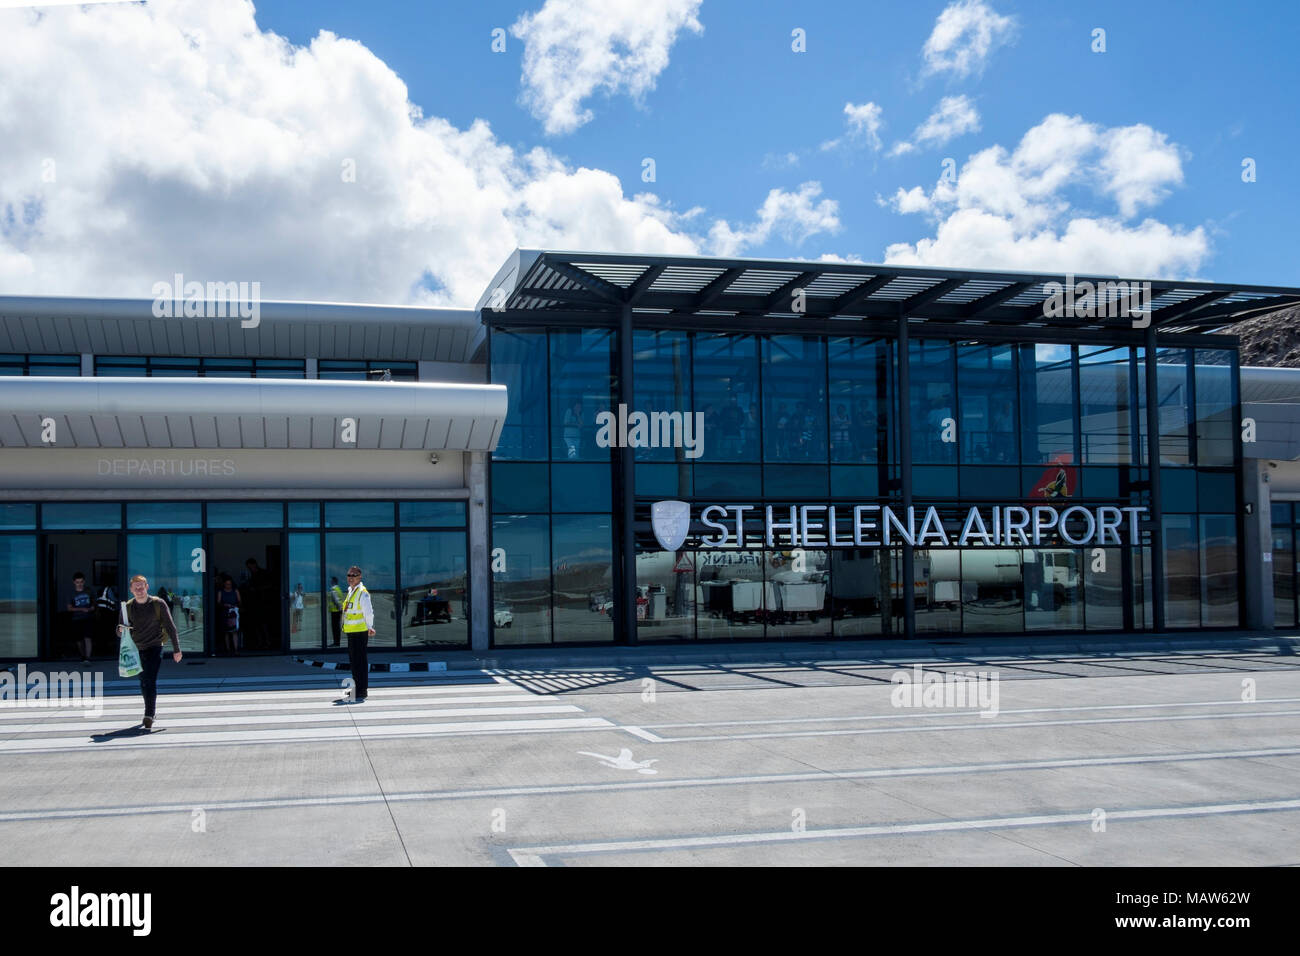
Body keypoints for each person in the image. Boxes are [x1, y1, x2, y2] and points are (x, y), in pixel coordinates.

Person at [115, 574, 181, 730]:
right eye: (136, 588)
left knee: (149, 679)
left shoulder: (158, 603)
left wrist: (177, 649)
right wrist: (120, 630)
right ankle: (150, 711)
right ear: (131, 590)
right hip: (136, 649)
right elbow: (119, 631)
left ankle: (149, 714)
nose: (139, 590)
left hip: (155, 646)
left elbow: (171, 627)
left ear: (147, 587)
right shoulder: (127, 607)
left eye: (141, 587)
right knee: (144, 681)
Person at [340, 565, 374, 702]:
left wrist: (370, 626)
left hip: (360, 632)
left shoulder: (362, 592)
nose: (350, 578)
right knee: (354, 663)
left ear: (360, 577)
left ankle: (362, 690)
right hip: (351, 632)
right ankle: (356, 688)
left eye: (353, 575)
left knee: (360, 662)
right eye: (349, 575)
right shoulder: (351, 591)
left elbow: (368, 612)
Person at [65, 571, 94, 663]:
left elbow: (93, 604)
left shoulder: (88, 591)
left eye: (81, 582)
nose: (80, 584)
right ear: (74, 582)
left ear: (84, 581)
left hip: (88, 618)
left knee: (88, 637)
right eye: (77, 582)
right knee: (79, 640)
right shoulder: (71, 593)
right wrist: (81, 609)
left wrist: (91, 608)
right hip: (76, 619)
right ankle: (83, 655)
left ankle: (88, 658)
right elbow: (69, 608)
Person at [217, 576, 241, 655]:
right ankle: (228, 649)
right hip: (225, 613)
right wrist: (225, 605)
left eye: (230, 584)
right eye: (227, 584)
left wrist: (235, 605)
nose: (228, 586)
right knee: (226, 632)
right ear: (224, 584)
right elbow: (218, 602)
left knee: (234, 631)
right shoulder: (221, 592)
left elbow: (239, 601)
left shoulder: (235, 591)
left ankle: (236, 649)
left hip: (234, 612)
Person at [328, 577, 344, 647]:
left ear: (333, 581)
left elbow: (336, 600)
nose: (330, 582)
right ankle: (337, 642)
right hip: (338, 610)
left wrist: (339, 608)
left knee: (335, 627)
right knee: (337, 627)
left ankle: (336, 642)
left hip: (335, 610)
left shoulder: (333, 589)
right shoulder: (339, 589)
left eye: (331, 581)